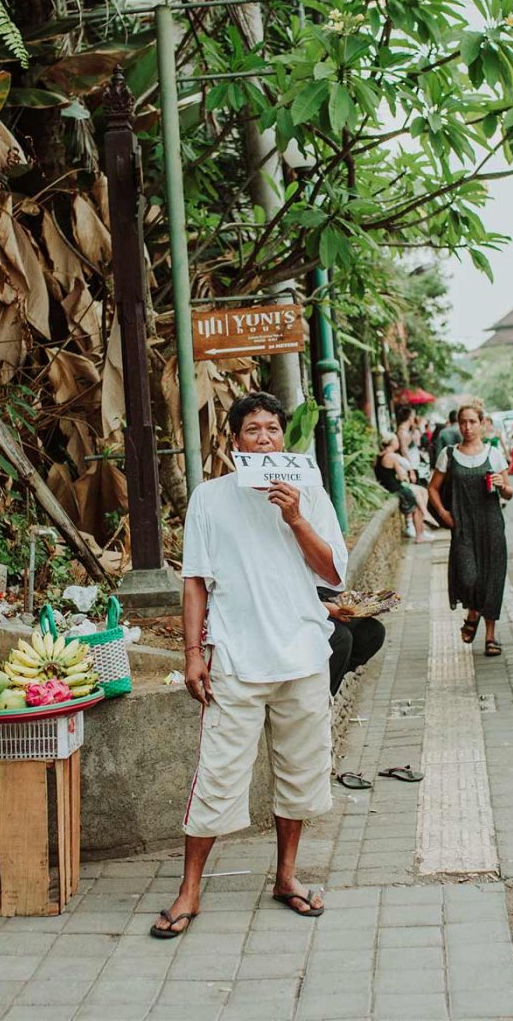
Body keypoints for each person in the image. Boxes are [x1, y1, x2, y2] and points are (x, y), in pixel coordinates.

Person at [150, 392, 347, 938]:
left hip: (303, 654)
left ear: (284, 437)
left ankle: (287, 877)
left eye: (273, 429)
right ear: (233, 440)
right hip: (236, 659)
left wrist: (296, 516)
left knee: (301, 773)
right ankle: (190, 888)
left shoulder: (309, 491)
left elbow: (333, 572)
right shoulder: (210, 499)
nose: (265, 438)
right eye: (253, 430)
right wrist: (193, 654)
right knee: (216, 777)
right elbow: (195, 579)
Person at [428, 401, 512, 657]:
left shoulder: (494, 453)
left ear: (482, 423)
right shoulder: (449, 454)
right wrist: (444, 514)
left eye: (472, 421)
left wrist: (501, 485)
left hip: (492, 525)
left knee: (492, 580)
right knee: (469, 576)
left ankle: (489, 636)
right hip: (463, 527)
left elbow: (510, 492)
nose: (467, 427)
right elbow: (432, 488)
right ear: (458, 424)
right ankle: (473, 612)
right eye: (463, 422)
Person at [319, 587, 386, 695]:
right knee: (341, 639)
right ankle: (320, 698)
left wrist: (360, 606)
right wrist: (326, 608)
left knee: (372, 632)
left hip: (324, 597)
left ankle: (325, 691)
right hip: (304, 605)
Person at [374, 434, 433, 542]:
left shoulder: (379, 456)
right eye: (396, 440)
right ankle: (420, 533)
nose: (398, 443)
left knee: (421, 492)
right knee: (417, 500)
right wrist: (406, 476)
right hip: (395, 488)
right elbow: (401, 476)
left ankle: (422, 525)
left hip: (387, 486)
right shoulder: (391, 456)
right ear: (392, 443)